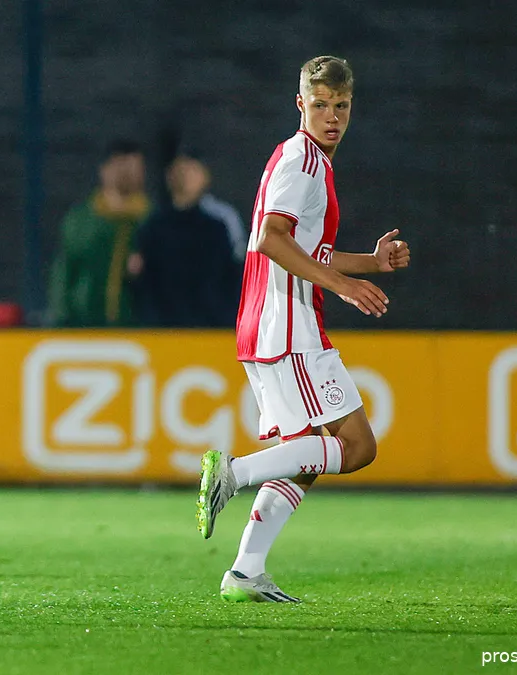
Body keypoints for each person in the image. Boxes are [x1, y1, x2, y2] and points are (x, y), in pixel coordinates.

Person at [195, 56, 411, 602]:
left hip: (268, 325)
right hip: (289, 326)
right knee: (356, 445)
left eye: (341, 106)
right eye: (320, 105)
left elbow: (307, 248)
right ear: (300, 105)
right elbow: (270, 239)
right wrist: (340, 286)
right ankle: (233, 475)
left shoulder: (300, 158)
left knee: (306, 456)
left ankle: (245, 572)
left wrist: (370, 262)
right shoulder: (305, 163)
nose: (332, 116)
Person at [129, 150, 239, 327]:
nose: (185, 178)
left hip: (211, 331)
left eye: (192, 171)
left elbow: (229, 281)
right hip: (162, 331)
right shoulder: (152, 228)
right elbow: (143, 283)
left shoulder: (217, 229)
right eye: (181, 171)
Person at [47, 139, 150, 327]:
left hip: (135, 329)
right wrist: (61, 320)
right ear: (105, 170)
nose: (128, 174)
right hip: (84, 325)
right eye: (122, 166)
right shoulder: (83, 221)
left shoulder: (150, 221)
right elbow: (64, 272)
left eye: (135, 168)